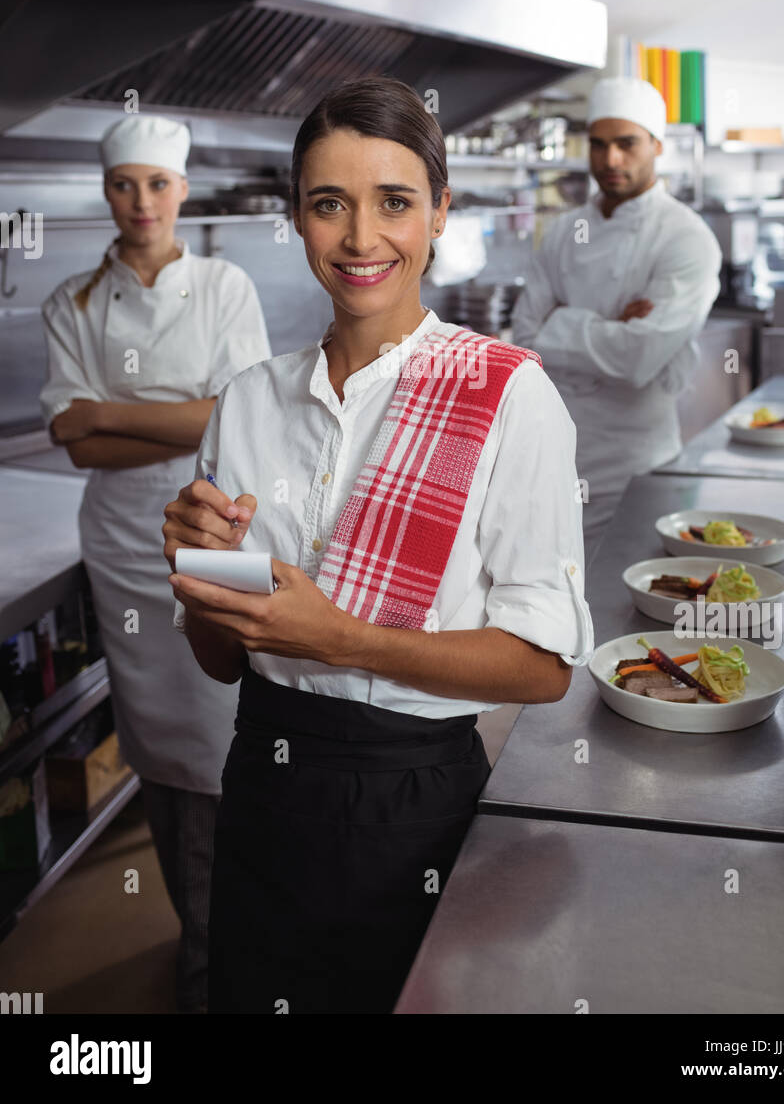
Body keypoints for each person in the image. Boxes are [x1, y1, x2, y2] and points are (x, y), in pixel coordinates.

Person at [163, 77, 593, 1015]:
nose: (362, 240)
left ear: (439, 211)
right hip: (266, 784)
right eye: (330, 205)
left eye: (395, 202)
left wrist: (339, 638)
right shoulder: (247, 402)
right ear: (299, 221)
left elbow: (543, 666)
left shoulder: (509, 398)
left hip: (418, 797)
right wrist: (196, 577)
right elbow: (223, 660)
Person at [39, 114, 271, 1014]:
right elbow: (72, 440)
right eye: (124, 185)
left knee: (230, 728)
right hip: (124, 546)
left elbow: (235, 418)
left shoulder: (223, 284)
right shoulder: (74, 301)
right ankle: (204, 953)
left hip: (218, 528)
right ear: (107, 192)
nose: (142, 202)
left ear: (182, 190)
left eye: (158, 185)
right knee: (166, 749)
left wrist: (109, 413)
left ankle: (237, 947)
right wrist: (178, 414)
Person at [511, 77, 722, 558]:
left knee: (626, 607)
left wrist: (561, 322)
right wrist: (612, 327)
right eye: (599, 144)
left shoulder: (685, 238)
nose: (610, 161)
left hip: (638, 466)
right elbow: (525, 339)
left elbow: (638, 357)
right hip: (555, 455)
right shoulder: (565, 230)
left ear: (656, 145)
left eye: (626, 144)